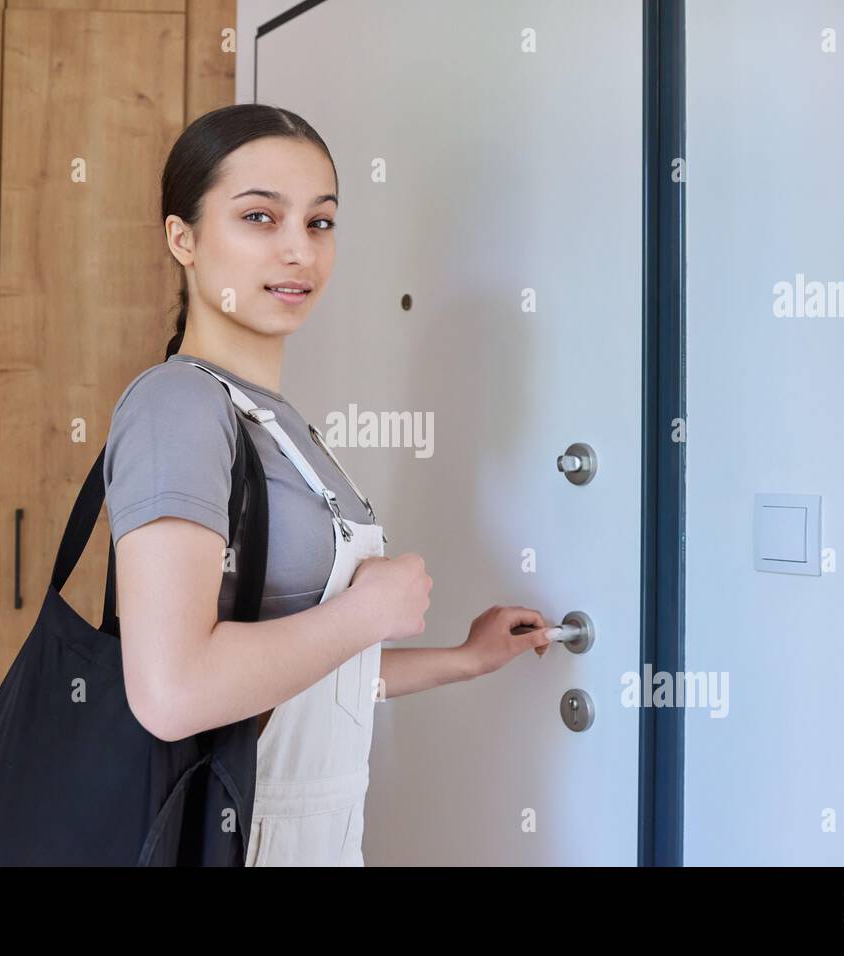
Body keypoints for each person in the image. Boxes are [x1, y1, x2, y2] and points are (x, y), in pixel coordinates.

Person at [105, 103, 554, 866]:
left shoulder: (281, 427)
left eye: (319, 223)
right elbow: (171, 692)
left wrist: (464, 658)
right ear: (182, 238)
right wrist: (365, 613)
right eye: (258, 217)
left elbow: (306, 681)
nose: (298, 252)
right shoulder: (177, 406)